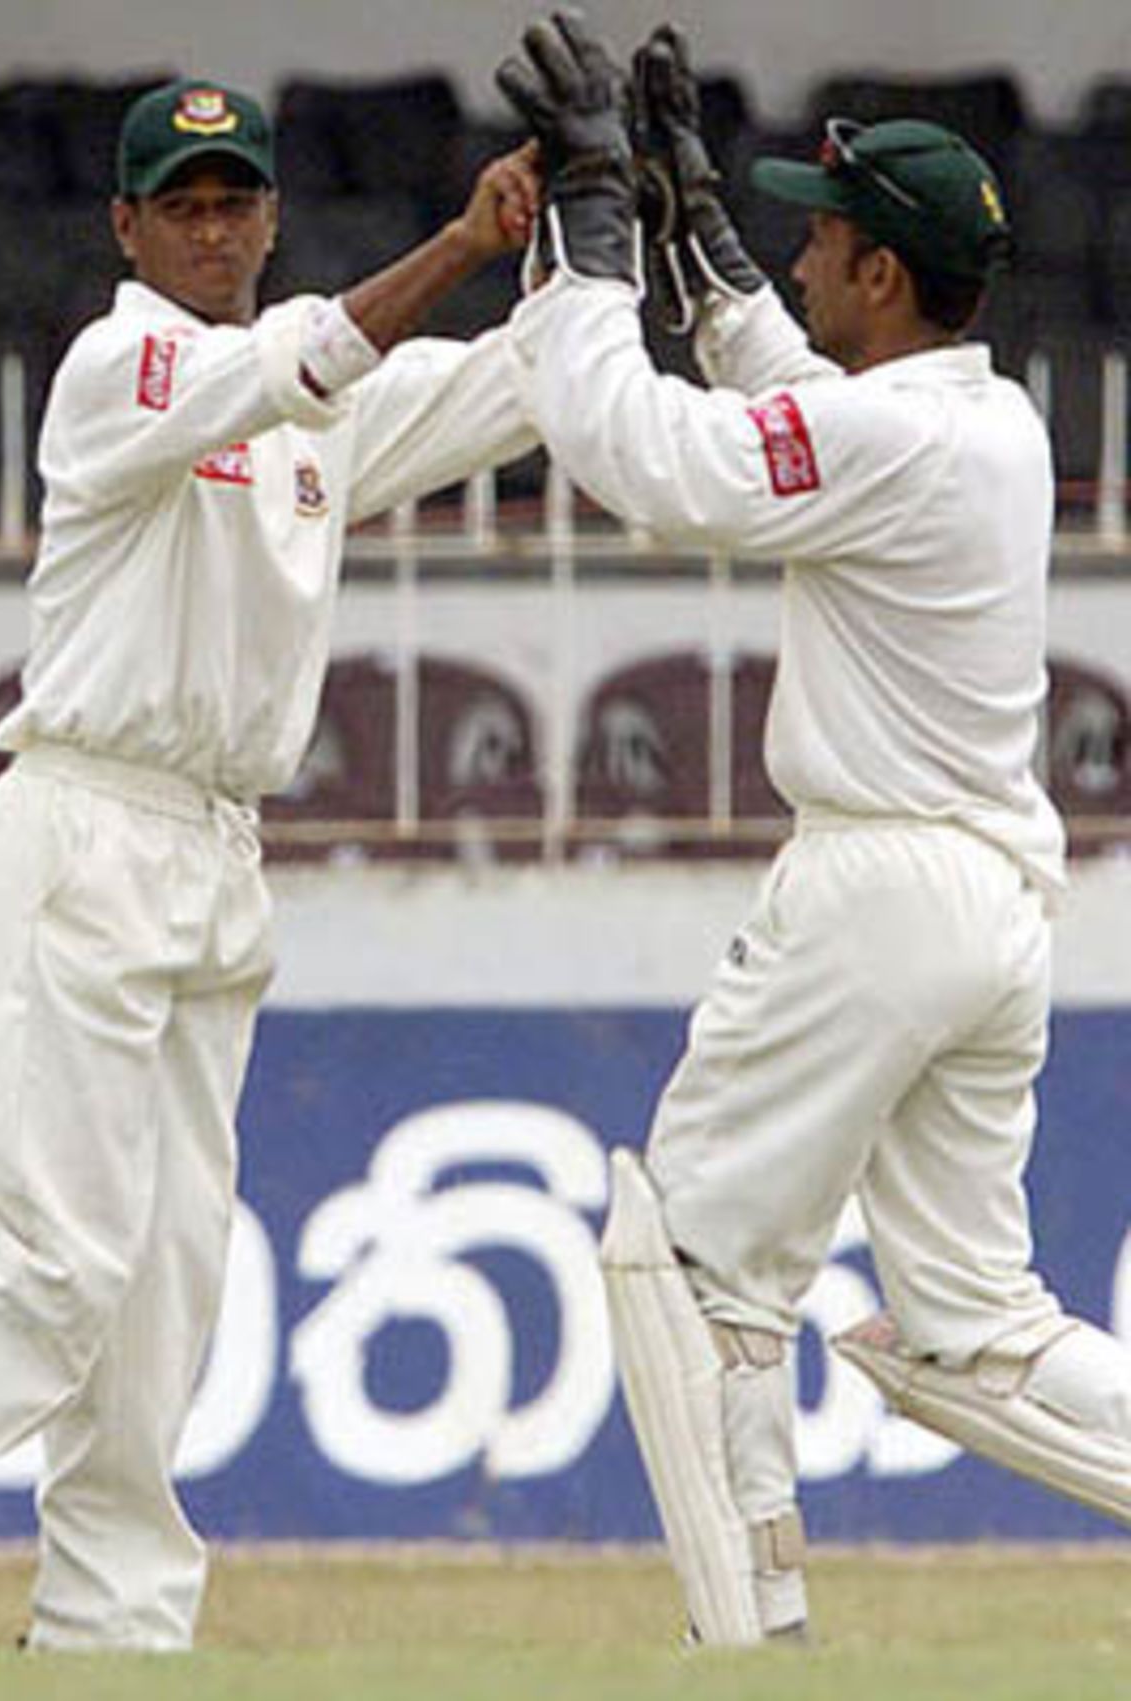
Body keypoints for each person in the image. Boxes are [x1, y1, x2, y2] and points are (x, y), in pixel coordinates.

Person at [0, 77, 542, 1651]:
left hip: (217, 849)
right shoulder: (126, 361)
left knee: (163, 1279)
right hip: (84, 827)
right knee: (49, 1265)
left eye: (237, 205)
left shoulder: (310, 417)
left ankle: (112, 1629)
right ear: (127, 227)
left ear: (275, 217)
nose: (213, 230)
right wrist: (459, 235)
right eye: (184, 206)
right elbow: (299, 363)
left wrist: (582, 242)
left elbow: (507, 392)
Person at [498, 13, 1131, 1647]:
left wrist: (584, 246)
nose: (803, 248)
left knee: (693, 1267)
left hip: (876, 889)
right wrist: (697, 249)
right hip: (989, 901)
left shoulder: (890, 435)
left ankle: (747, 1646)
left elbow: (649, 464)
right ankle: (758, 1625)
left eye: (822, 240)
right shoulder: (979, 421)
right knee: (980, 1328)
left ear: (882, 281)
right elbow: (799, 406)